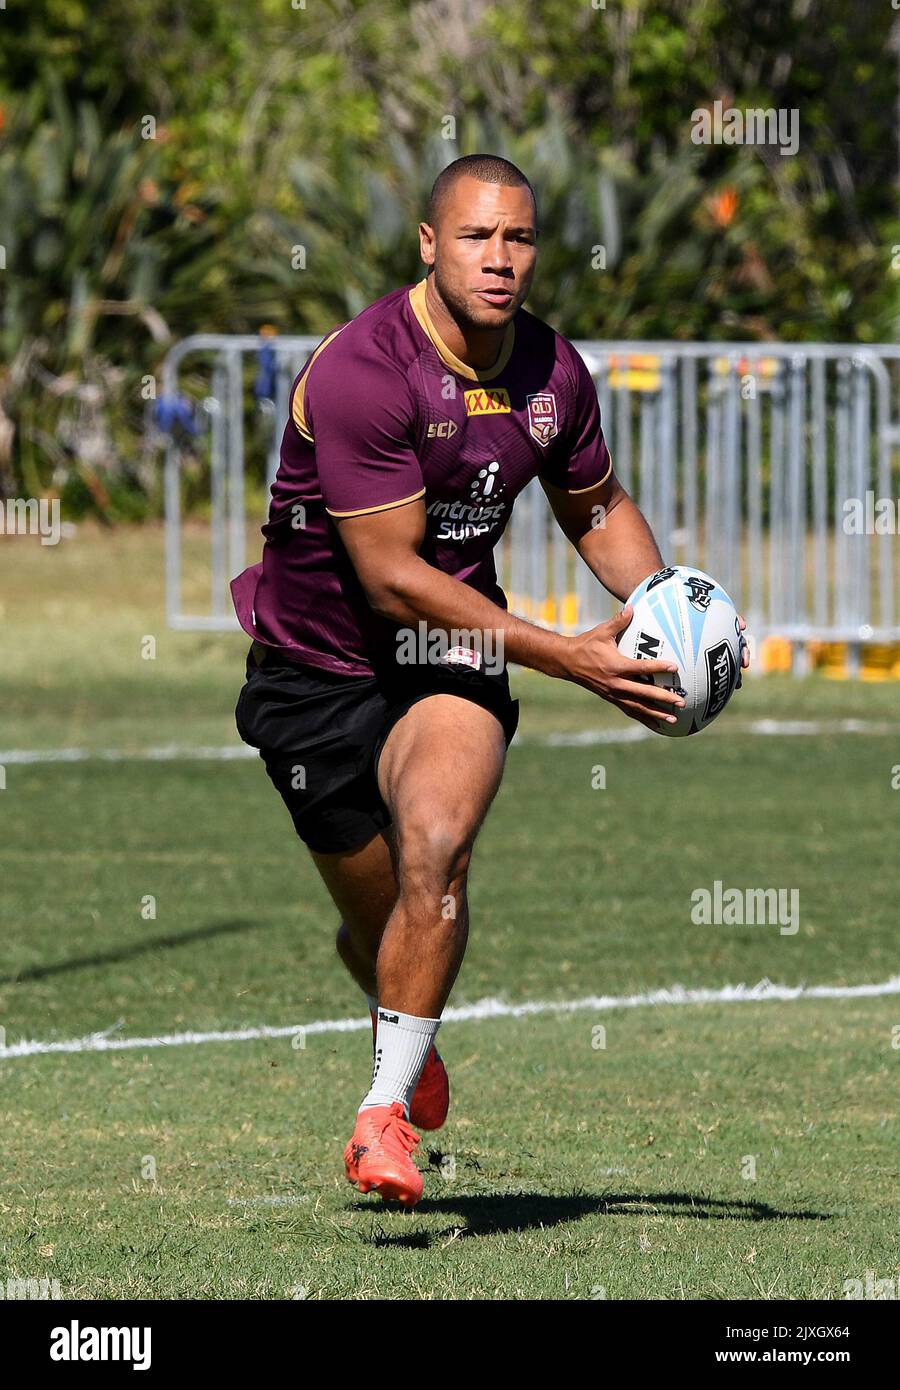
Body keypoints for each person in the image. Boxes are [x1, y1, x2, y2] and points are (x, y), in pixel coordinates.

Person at [232, 153, 749, 1208]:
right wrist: (568, 654)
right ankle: (409, 1038)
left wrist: (664, 614)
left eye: (517, 238)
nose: (499, 259)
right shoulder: (365, 371)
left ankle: (380, 1116)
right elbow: (389, 577)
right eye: (475, 236)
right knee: (383, 927)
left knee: (438, 852)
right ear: (429, 243)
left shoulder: (554, 374)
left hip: (450, 660)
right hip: (315, 672)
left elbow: (594, 505)